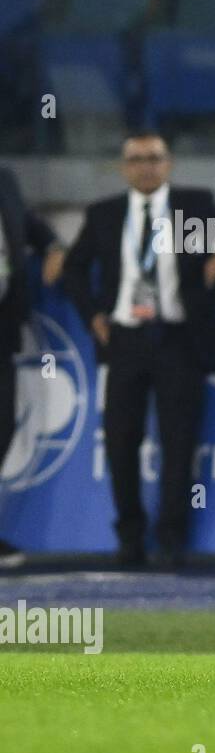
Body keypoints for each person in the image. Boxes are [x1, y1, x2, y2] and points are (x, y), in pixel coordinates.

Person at [62, 132, 215, 568]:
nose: (145, 166)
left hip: (178, 338)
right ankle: (129, 538)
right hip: (125, 338)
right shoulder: (104, 215)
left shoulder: (195, 207)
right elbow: (73, 269)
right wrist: (93, 316)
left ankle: (170, 540)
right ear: (124, 167)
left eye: (154, 158)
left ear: (168, 163)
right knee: (120, 443)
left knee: (179, 443)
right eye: (136, 159)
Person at [0, 167, 64, 567]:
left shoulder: (5, 177)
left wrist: (53, 244)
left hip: (2, 328)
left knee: (3, 424)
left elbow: (23, 222)